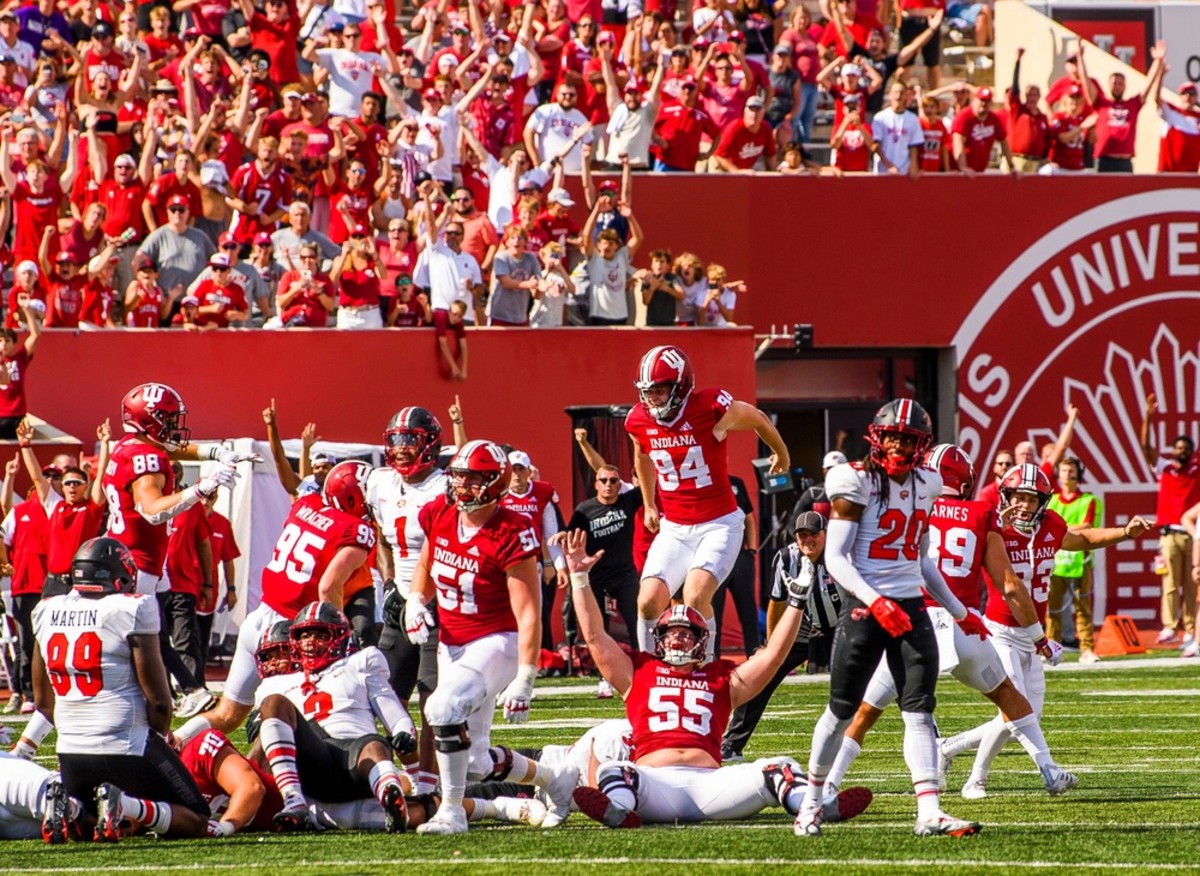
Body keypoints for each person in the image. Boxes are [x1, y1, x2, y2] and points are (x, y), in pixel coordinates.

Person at [561, 529, 873, 828]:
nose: (678, 639)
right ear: (658, 640)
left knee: (781, 767)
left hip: (711, 785)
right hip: (652, 783)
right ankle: (618, 810)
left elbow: (774, 656)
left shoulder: (720, 678)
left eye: (687, 634)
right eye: (671, 634)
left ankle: (814, 805)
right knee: (614, 770)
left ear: (701, 641)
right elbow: (595, 636)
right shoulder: (638, 672)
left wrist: (796, 602)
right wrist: (579, 578)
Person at [821, 444, 1078, 802]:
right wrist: (1039, 638)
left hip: (909, 621)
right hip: (963, 625)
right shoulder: (981, 512)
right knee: (1009, 696)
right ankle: (1048, 769)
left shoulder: (909, 505)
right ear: (966, 482)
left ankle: (829, 784)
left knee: (868, 711)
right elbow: (1009, 585)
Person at [794, 399, 990, 838]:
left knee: (919, 710)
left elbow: (921, 560)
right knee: (841, 710)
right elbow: (836, 557)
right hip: (866, 609)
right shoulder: (854, 480)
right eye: (892, 437)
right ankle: (811, 802)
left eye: (907, 439)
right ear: (877, 438)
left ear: (921, 445)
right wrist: (874, 600)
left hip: (911, 607)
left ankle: (929, 812)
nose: (898, 446)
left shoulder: (928, 483)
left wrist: (961, 613)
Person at [940, 463, 1151, 798]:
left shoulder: (1051, 524)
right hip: (1001, 631)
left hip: (1031, 635)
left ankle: (948, 748)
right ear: (1006, 496)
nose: (1024, 505)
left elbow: (1081, 539)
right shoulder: (992, 528)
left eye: (1032, 498)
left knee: (1026, 716)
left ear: (1043, 502)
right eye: (1018, 497)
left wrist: (1125, 532)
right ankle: (980, 779)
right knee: (1014, 712)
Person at [403, 440, 577, 834]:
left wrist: (526, 677)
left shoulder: (512, 531)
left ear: (495, 483)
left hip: (497, 640)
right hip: (452, 641)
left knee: (442, 708)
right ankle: (554, 779)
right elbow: (427, 563)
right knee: (475, 762)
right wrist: (415, 600)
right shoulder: (440, 512)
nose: (461, 486)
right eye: (458, 476)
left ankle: (452, 812)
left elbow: (528, 611)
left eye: (472, 479)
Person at [173, 461, 377, 745]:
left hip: (258, 620)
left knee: (227, 714)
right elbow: (328, 586)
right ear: (354, 498)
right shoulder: (356, 529)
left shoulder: (305, 504)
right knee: (301, 719)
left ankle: (174, 741)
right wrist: (336, 636)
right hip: (291, 634)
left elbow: (295, 487)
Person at [30, 538, 209, 840]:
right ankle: (127, 804)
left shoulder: (46, 610)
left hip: (70, 750)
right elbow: (159, 701)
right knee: (197, 820)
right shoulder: (132, 607)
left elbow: (43, 702)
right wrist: (159, 742)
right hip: (126, 742)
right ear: (118, 575)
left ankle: (71, 809)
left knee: (97, 823)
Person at [625, 345, 790, 662]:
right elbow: (642, 455)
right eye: (647, 392)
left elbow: (757, 418)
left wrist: (782, 453)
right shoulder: (637, 420)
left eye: (659, 391)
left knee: (695, 596)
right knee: (647, 602)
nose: (652, 399)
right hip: (674, 527)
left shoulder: (711, 407)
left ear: (680, 386)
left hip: (719, 524)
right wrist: (649, 503)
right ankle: (647, 670)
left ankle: (707, 665)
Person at [368, 404, 465, 794]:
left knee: (432, 697)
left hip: (439, 603)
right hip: (399, 603)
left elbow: (453, 547)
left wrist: (427, 598)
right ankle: (405, 772)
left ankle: (428, 786)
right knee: (382, 692)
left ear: (431, 444)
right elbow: (381, 537)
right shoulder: (380, 483)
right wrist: (390, 582)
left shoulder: (445, 487)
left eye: (410, 439)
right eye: (396, 440)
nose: (402, 448)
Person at [255, 602, 416, 832]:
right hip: (314, 762)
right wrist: (263, 719)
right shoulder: (277, 683)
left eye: (321, 635)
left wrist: (404, 732)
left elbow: (394, 713)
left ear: (340, 638)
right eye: (304, 635)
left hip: (356, 761)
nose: (310, 642)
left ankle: (390, 794)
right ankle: (293, 798)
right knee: (273, 703)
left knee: (374, 746)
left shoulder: (360, 663)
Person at [722, 510, 841, 762]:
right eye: (802, 535)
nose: (808, 540)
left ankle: (923, 727)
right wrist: (770, 646)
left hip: (843, 624)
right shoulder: (786, 557)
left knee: (883, 673)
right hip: (804, 622)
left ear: (826, 534)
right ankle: (732, 744)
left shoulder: (841, 554)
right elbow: (776, 602)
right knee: (760, 672)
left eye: (814, 534)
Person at [15, 418, 108, 599]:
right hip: (54, 583)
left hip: (82, 582)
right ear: (62, 487)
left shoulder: (91, 508)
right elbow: (37, 478)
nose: (72, 486)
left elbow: (102, 474)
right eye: (68, 483)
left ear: (85, 486)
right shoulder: (55, 505)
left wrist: (104, 443)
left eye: (77, 483)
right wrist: (25, 445)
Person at [1140, 393, 1200, 647]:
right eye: (1178, 448)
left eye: (1186, 449)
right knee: (1170, 582)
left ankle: (1191, 631)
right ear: (1173, 450)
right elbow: (1146, 447)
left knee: (1193, 584)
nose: (1181, 452)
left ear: (1192, 452)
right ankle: (1170, 626)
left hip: (1193, 534)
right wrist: (1148, 416)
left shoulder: (1196, 469)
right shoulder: (1164, 468)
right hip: (1169, 534)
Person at [1076, 38, 1165, 173]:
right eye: (1114, 83)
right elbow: (1086, 82)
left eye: (1120, 83)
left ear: (1124, 86)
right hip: (1104, 161)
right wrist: (1080, 57)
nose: (1117, 86)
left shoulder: (1133, 104)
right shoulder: (1101, 103)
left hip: (1125, 162)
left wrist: (1157, 62)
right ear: (1109, 85)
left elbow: (1148, 85)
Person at [1046, 457, 1101, 664]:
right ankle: (1051, 647)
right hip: (1056, 561)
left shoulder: (1089, 500)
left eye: (1071, 471)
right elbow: (1046, 525)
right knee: (1052, 608)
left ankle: (1087, 649)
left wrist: (1062, 528)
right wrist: (1069, 528)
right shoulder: (1051, 500)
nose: (1067, 474)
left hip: (1081, 561)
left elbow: (1088, 526)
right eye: (1064, 470)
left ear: (1079, 474)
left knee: (1083, 607)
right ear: (1058, 474)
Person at [711, 474, 759, 658]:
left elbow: (748, 517)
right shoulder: (703, 482)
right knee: (713, 612)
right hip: (715, 557)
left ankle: (754, 656)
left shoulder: (736, 483)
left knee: (748, 611)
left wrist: (751, 550)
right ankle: (712, 660)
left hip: (740, 557)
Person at [951, 87, 1015, 176]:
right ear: (974, 100)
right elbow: (958, 142)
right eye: (981, 100)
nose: (984, 103)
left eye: (987, 101)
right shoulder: (964, 116)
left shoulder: (993, 119)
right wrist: (963, 167)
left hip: (979, 171)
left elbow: (1004, 142)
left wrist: (1012, 166)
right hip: (959, 171)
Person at [0, 299, 41, 437]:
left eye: (7, 341)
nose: (3, 344)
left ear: (14, 344)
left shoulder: (20, 357)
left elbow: (35, 335)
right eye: (0, 341)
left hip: (17, 415)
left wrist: (27, 309)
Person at [1005, 48, 1049, 174]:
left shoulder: (1042, 118)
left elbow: (1047, 140)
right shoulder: (1019, 111)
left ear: (1039, 97)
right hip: (1017, 159)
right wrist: (1018, 62)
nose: (1032, 98)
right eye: (1029, 95)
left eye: (1034, 95)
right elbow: (1015, 90)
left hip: (1035, 162)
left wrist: (1045, 157)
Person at [870, 80, 922, 177]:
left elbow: (914, 145)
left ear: (906, 96)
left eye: (902, 93)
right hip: (883, 170)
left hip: (904, 170)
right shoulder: (880, 118)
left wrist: (913, 164)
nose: (898, 96)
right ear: (890, 95)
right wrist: (888, 165)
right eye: (895, 92)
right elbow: (875, 145)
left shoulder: (912, 119)